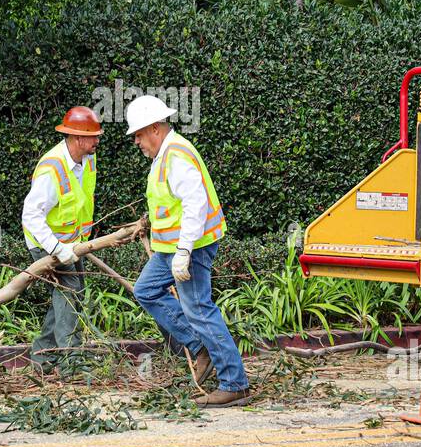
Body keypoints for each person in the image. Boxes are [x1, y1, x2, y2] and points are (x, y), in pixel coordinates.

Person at [126, 95, 251, 406]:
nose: (137, 142)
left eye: (139, 135)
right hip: (172, 248)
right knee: (146, 290)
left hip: (191, 246)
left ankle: (235, 383)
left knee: (199, 309)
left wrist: (184, 252)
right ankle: (200, 347)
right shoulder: (164, 154)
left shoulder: (176, 155)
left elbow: (196, 205)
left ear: (154, 128)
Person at [20, 105, 102, 369]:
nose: (98, 141)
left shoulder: (87, 159)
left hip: (71, 243)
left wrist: (75, 245)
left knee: (66, 298)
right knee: (70, 294)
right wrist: (57, 247)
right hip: (47, 243)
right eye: (94, 137)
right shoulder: (51, 170)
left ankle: (43, 357)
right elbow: (31, 216)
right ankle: (70, 362)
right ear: (78, 138)